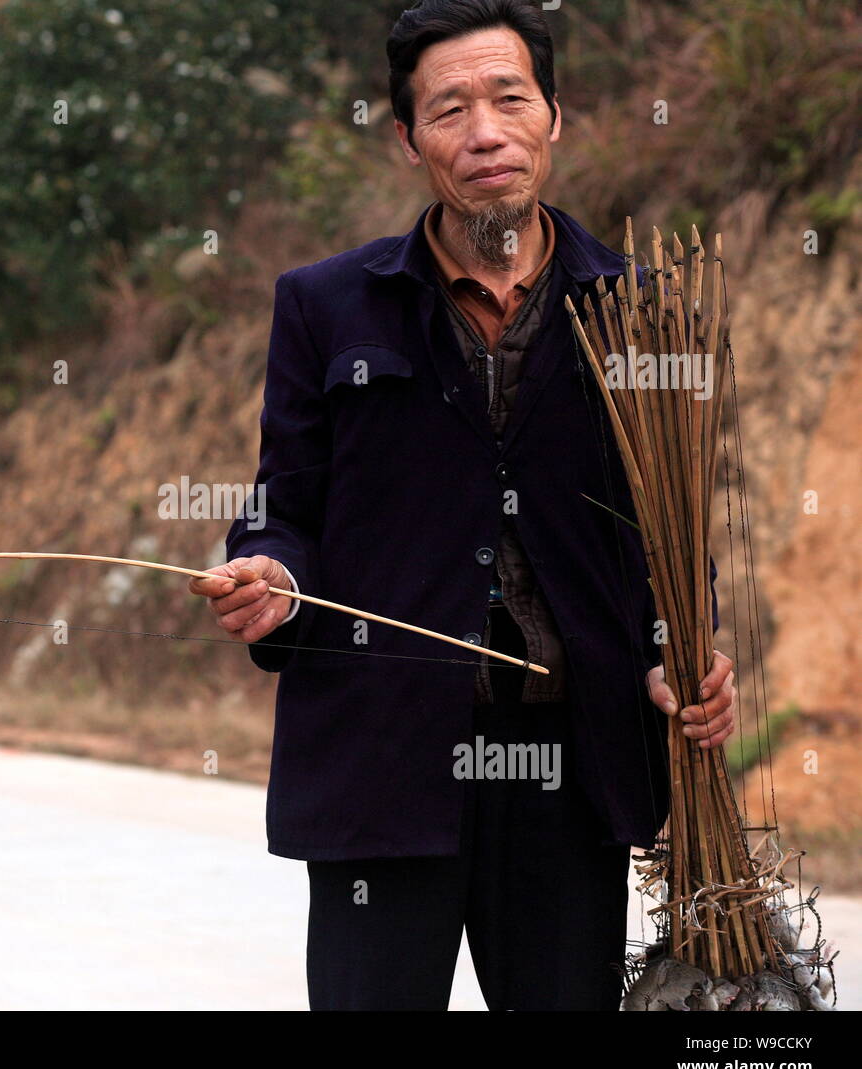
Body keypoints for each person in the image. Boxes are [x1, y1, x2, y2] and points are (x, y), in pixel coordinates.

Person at [189, 0, 736, 1011]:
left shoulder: (636, 305)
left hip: (569, 770)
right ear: (407, 138)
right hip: (382, 762)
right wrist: (274, 576)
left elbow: (669, 540)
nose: (484, 132)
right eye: (447, 110)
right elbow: (284, 508)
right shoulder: (326, 305)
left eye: (508, 99)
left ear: (552, 116)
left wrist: (681, 649)